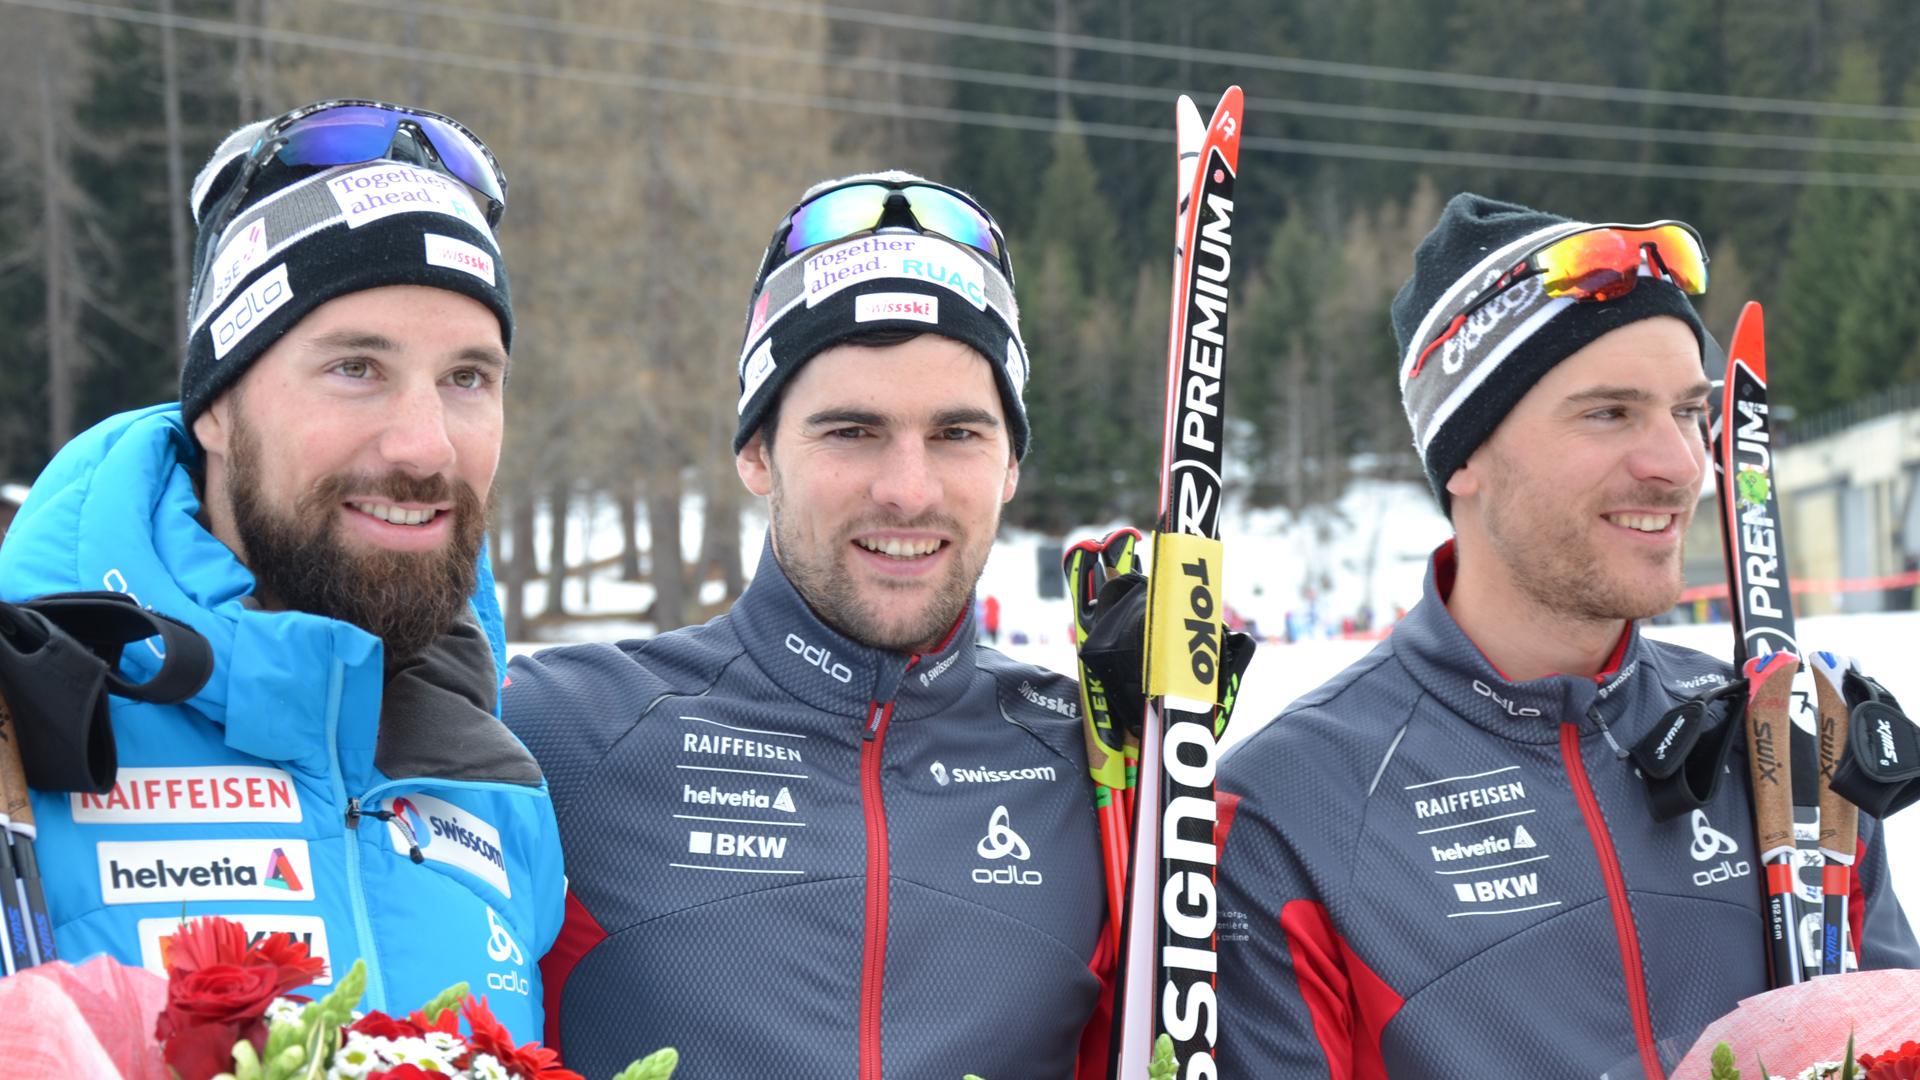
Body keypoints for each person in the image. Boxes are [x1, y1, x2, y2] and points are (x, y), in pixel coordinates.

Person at [1216, 194, 1920, 1078]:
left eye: (1688, 410)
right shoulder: (1294, 808)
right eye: (1610, 413)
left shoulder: (1780, 736)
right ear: (1464, 454)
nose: (1678, 464)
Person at [505, 173, 1111, 1079]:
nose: (908, 489)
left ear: (1012, 463)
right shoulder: (561, 728)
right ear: (757, 451)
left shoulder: (1099, 766)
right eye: (852, 432)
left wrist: (1171, 747)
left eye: (957, 435)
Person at [0, 101, 563, 1040]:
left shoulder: (496, 774)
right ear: (215, 407)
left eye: (468, 378)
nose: (425, 447)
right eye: (354, 368)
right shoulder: (26, 715)